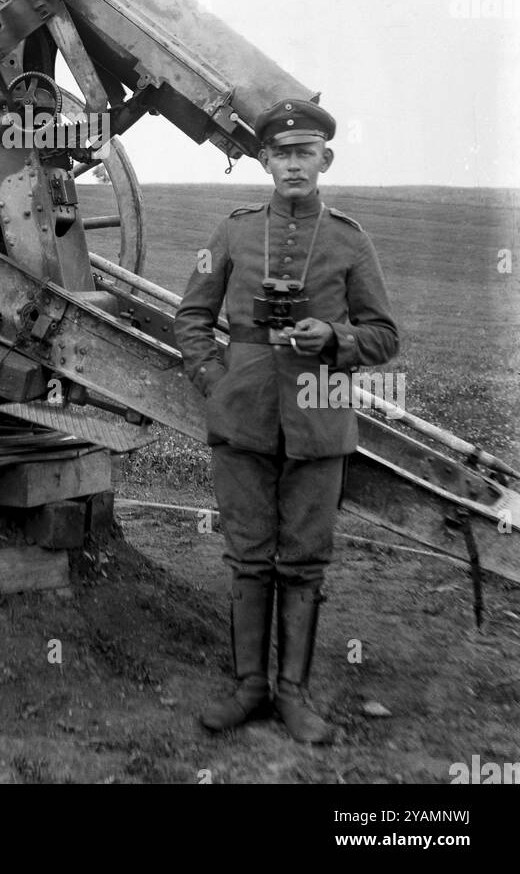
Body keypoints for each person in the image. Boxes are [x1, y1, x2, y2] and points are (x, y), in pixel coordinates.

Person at [173, 99, 399, 744]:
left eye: (305, 154)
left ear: (323, 161)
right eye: (281, 154)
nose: (293, 165)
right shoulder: (232, 233)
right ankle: (249, 689)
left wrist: (332, 335)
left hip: (320, 422)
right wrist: (216, 381)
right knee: (247, 556)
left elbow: (384, 335)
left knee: (302, 561)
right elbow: (191, 317)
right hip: (241, 418)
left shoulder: (351, 240)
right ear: (265, 160)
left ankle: (294, 695)